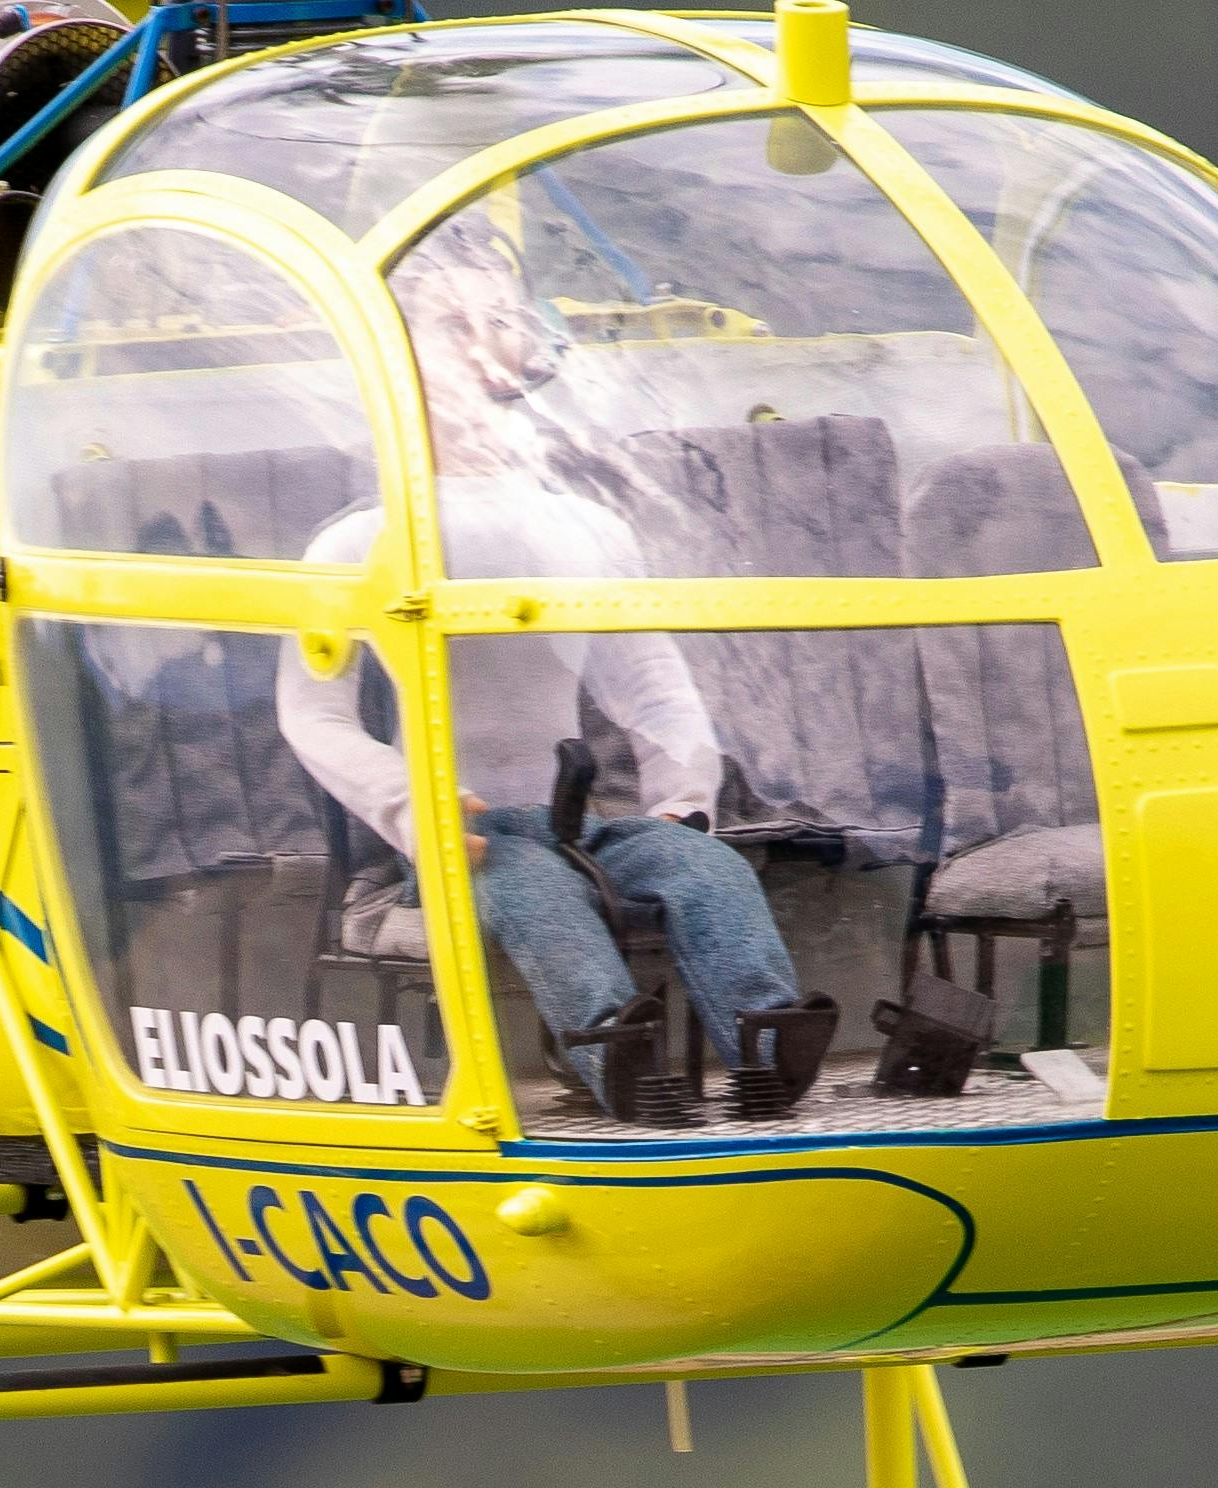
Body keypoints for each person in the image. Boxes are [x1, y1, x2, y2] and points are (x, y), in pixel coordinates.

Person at [280, 225, 829, 1111]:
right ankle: (607, 1051)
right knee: (534, 894)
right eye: (448, 325)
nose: (481, 345)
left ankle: (768, 1040)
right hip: (464, 838)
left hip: (578, 819)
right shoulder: (355, 543)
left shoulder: (588, 530)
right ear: (394, 351)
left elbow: (648, 678)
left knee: (706, 871)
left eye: (498, 317)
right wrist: (408, 803)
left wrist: (684, 797)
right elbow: (314, 713)